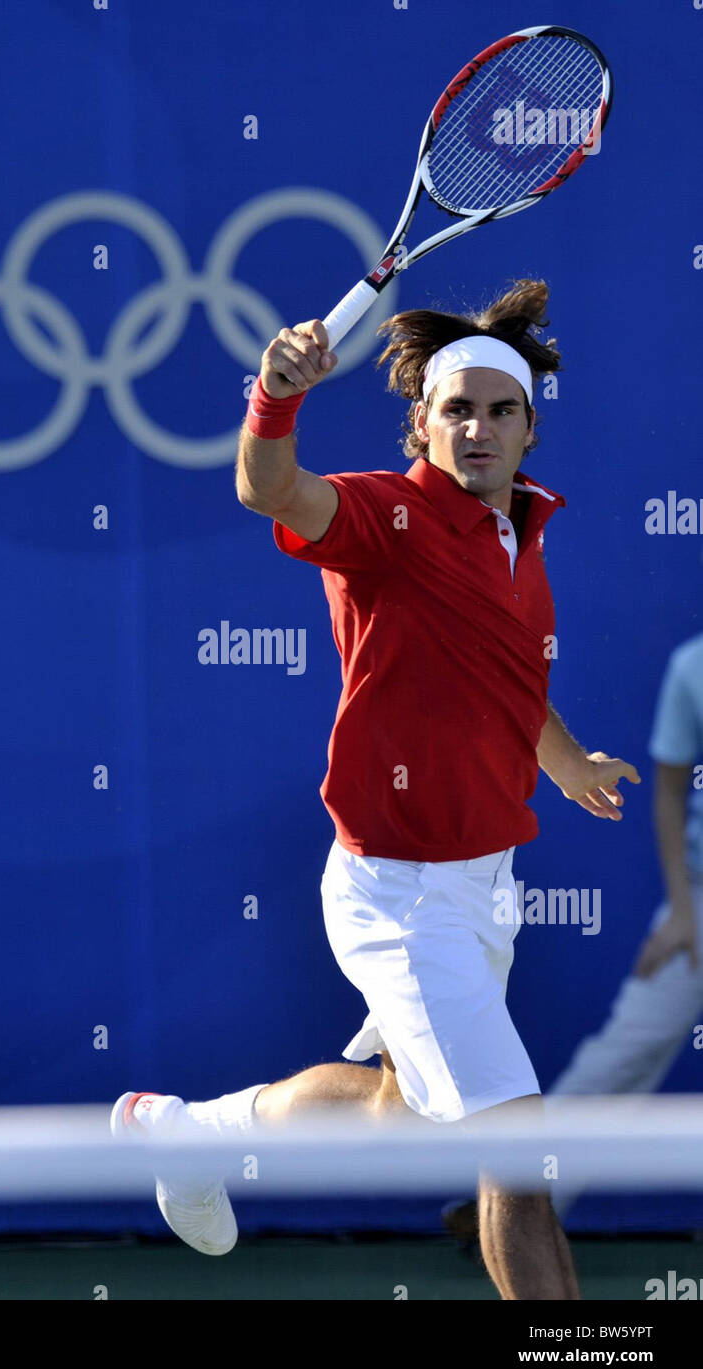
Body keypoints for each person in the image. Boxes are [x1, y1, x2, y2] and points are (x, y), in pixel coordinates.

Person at [112, 280, 640, 1300]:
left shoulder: (518, 534)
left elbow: (504, 676)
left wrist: (562, 757)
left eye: (498, 411)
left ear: (529, 428)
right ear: (420, 423)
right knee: (516, 1159)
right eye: (455, 410)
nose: (476, 428)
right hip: (398, 895)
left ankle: (186, 1133)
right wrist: (273, 395)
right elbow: (269, 490)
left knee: (397, 1111)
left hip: (480, 887)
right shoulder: (380, 516)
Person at [444, 632, 703, 1239]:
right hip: (698, 905)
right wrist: (684, 909)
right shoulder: (692, 666)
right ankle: (525, 1201)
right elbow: (668, 791)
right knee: (625, 1049)